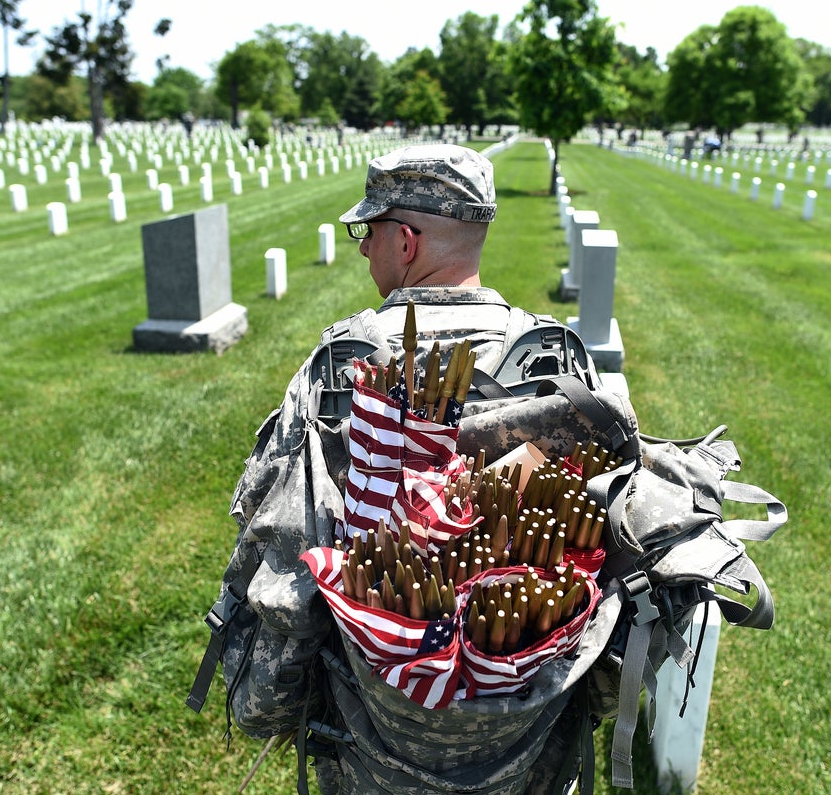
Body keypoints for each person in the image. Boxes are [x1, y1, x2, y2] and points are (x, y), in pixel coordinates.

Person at [205, 143, 607, 795]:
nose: (365, 250)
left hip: (370, 748)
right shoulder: (555, 357)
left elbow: (283, 542)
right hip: (529, 747)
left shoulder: (344, 361)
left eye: (370, 232)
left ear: (408, 240)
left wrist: (266, 703)